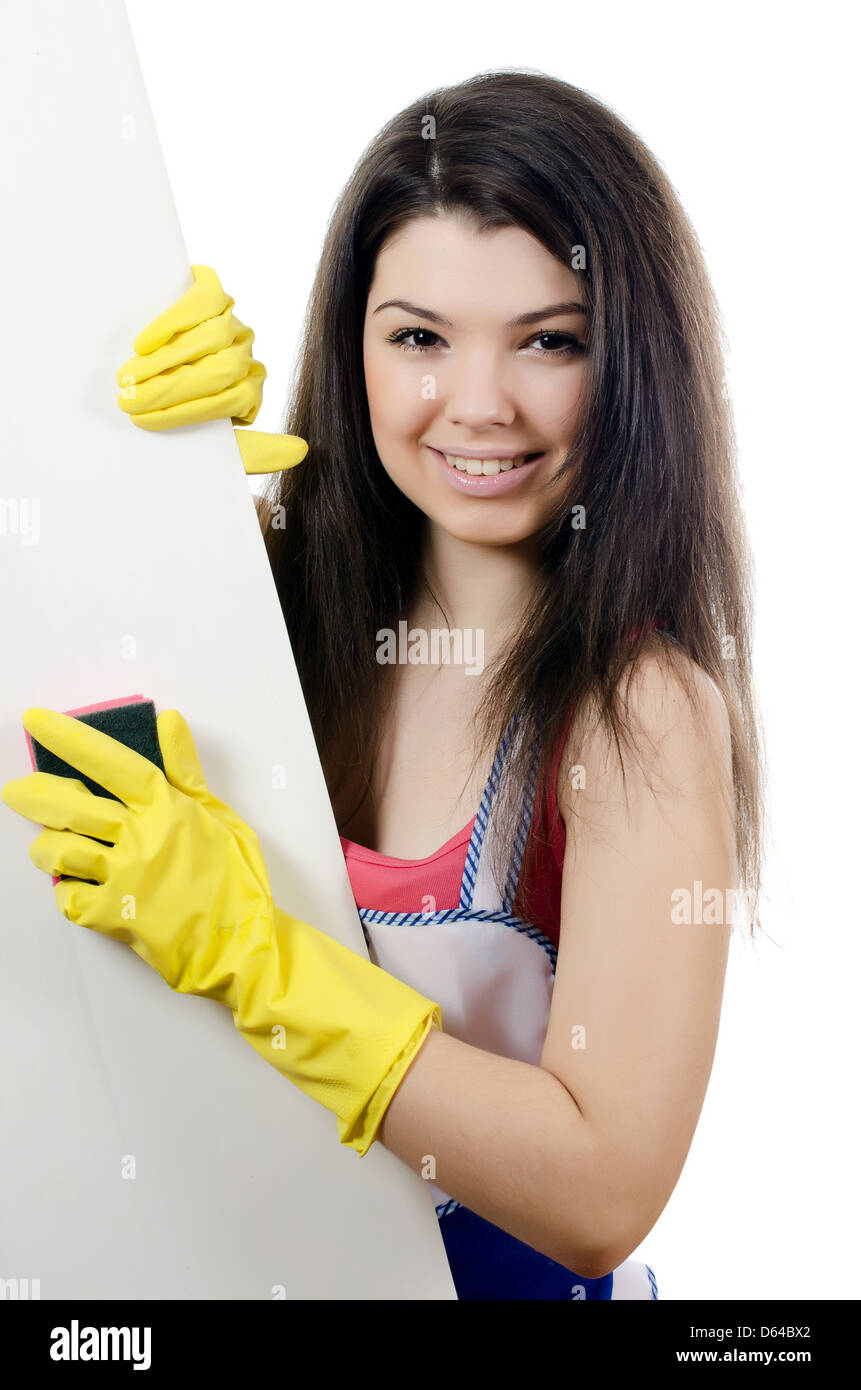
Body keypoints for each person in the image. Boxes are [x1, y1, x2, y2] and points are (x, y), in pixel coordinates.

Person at [4, 70, 763, 1300]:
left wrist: (259, 957)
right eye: (418, 336)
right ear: (349, 341)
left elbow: (600, 1192)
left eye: (550, 340)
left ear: (631, 361)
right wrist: (132, 492)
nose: (478, 404)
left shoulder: (638, 712)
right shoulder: (262, 615)